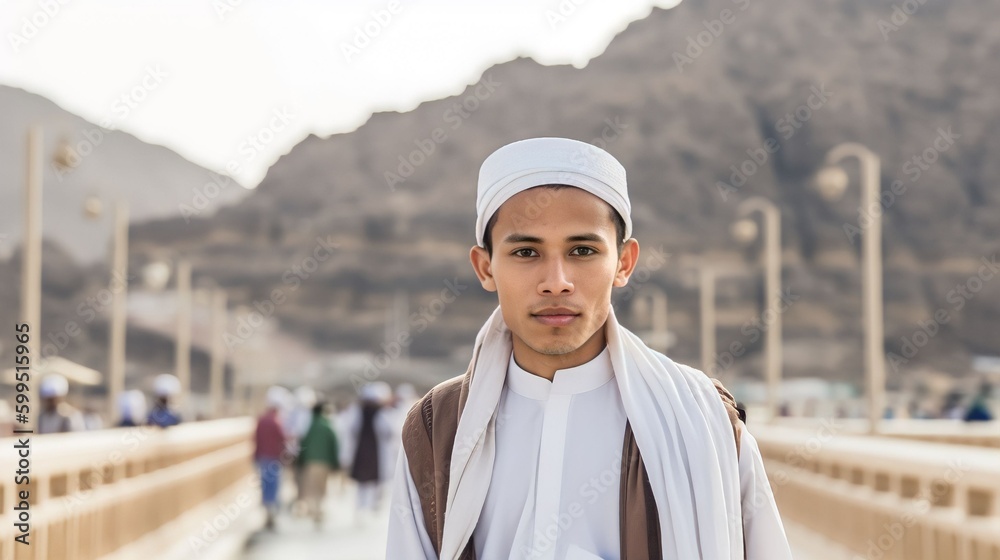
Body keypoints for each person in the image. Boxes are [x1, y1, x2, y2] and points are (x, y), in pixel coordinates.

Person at [387, 137, 792, 559]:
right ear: (486, 267)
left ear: (624, 263)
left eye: (583, 250)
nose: (556, 282)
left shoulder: (703, 417)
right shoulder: (439, 427)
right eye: (526, 252)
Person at [348, 382, 396, 519]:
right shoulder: (368, 413)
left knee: (370, 483)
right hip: (368, 451)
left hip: (371, 451)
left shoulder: (369, 413)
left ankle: (366, 508)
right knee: (368, 482)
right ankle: (364, 509)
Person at [295, 400, 341, 527]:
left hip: (310, 461)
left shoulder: (310, 426)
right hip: (324, 462)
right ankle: (319, 510)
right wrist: (335, 463)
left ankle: (314, 510)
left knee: (311, 487)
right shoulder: (327, 426)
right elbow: (334, 445)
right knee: (321, 487)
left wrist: (301, 460)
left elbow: (303, 444)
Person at [255, 386, 290, 530]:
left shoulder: (262, 420)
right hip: (274, 459)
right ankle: (272, 514)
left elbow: (256, 440)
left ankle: (268, 513)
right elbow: (283, 441)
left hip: (263, 458)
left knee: (266, 486)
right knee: (274, 487)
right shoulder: (276, 422)